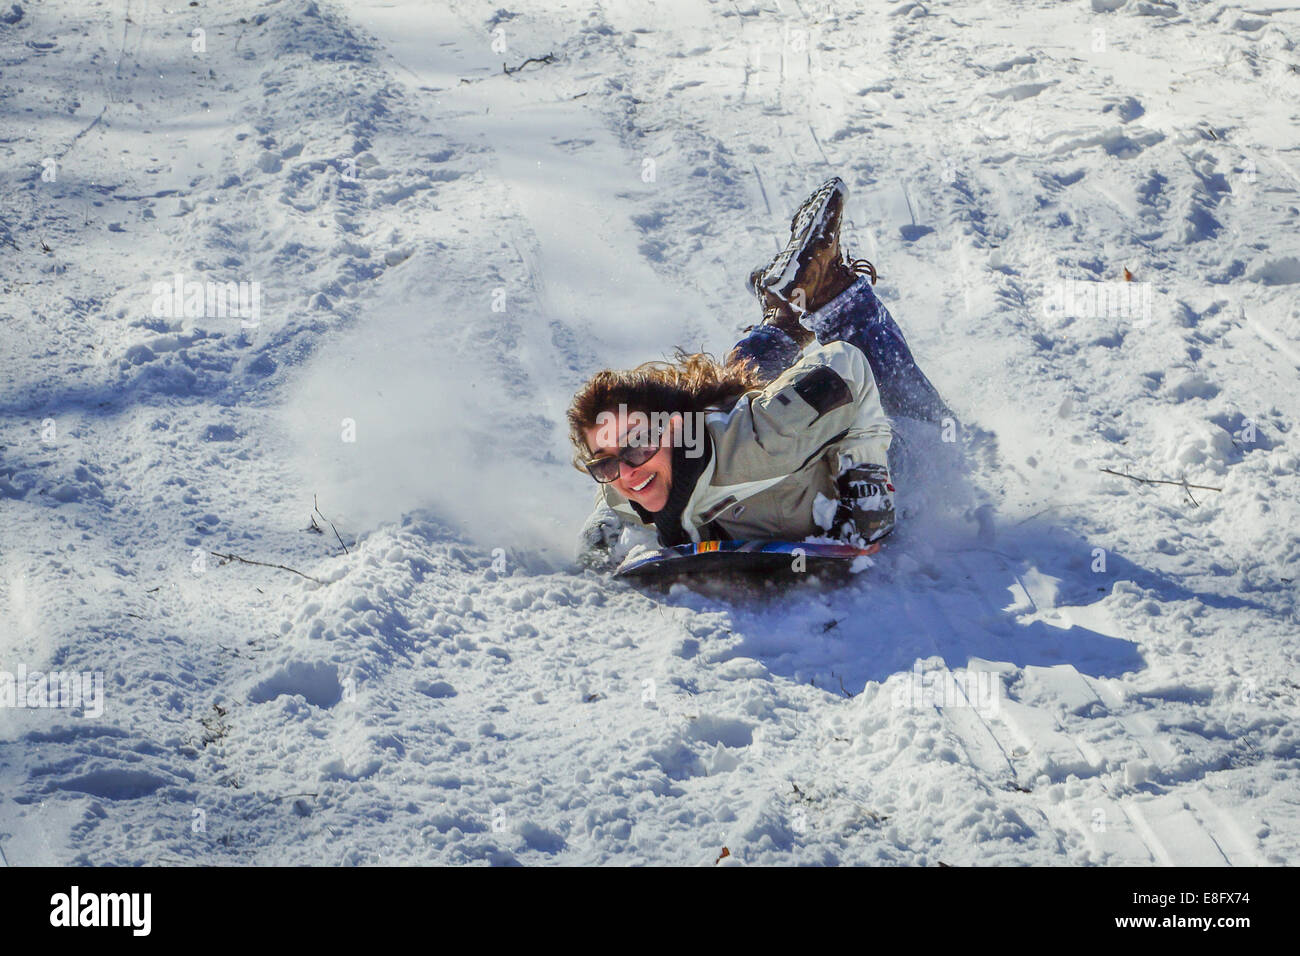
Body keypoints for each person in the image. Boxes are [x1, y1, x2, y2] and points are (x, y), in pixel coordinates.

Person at [568, 177, 951, 570]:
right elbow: (620, 479)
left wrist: (866, 472)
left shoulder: (765, 442)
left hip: (875, 449)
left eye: (638, 445)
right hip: (745, 424)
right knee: (730, 387)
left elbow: (846, 364)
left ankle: (836, 293)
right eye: (605, 464)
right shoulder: (630, 484)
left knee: (935, 431)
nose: (627, 471)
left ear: (675, 427)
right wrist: (605, 517)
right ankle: (784, 312)